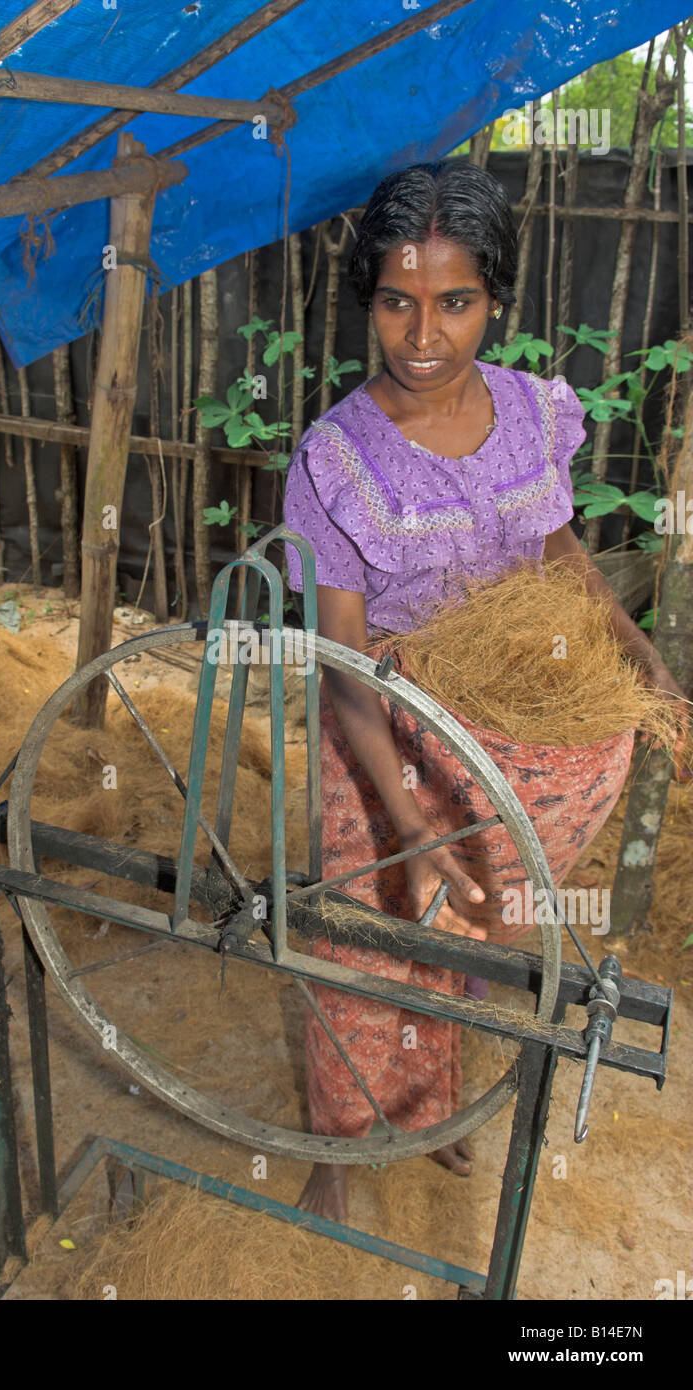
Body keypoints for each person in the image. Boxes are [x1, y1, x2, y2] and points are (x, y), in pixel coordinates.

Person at [282, 161, 689, 1225]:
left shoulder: (528, 414)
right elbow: (340, 659)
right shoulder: (336, 461)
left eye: (455, 302)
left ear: (494, 301)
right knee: (360, 939)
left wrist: (641, 661)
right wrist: (407, 819)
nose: (425, 334)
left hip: (497, 724)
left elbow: (561, 555)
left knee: (464, 929)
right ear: (368, 301)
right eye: (397, 302)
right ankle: (340, 1147)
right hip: (380, 727)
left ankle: (429, 1108)